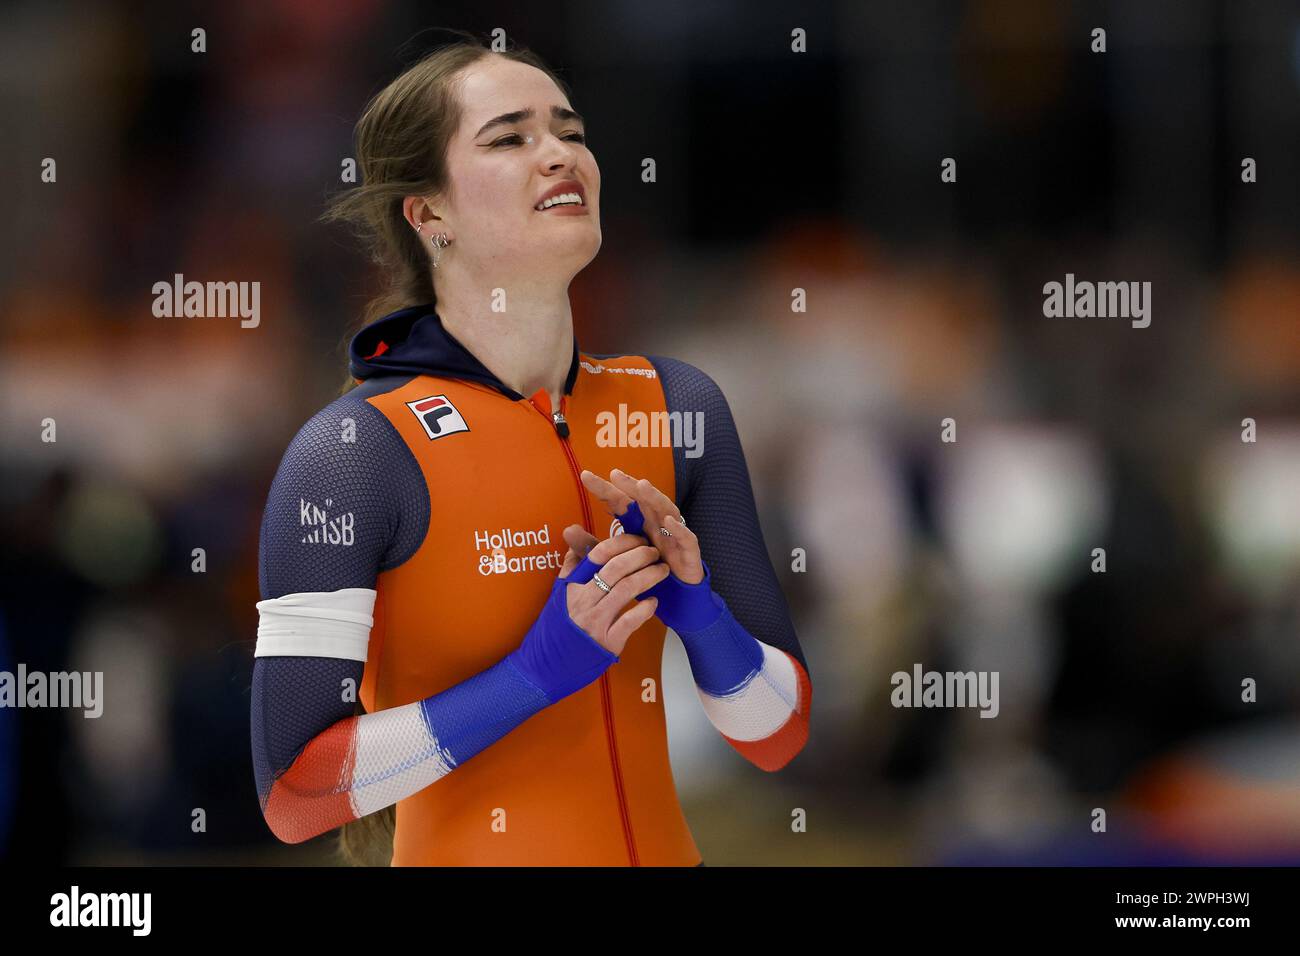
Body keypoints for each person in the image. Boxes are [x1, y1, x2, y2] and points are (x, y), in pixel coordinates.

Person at [250, 33, 811, 866]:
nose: (559, 155)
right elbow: (296, 793)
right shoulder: (356, 454)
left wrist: (702, 616)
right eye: (510, 138)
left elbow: (778, 736)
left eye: (571, 132)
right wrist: (534, 676)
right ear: (428, 212)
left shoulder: (675, 406)